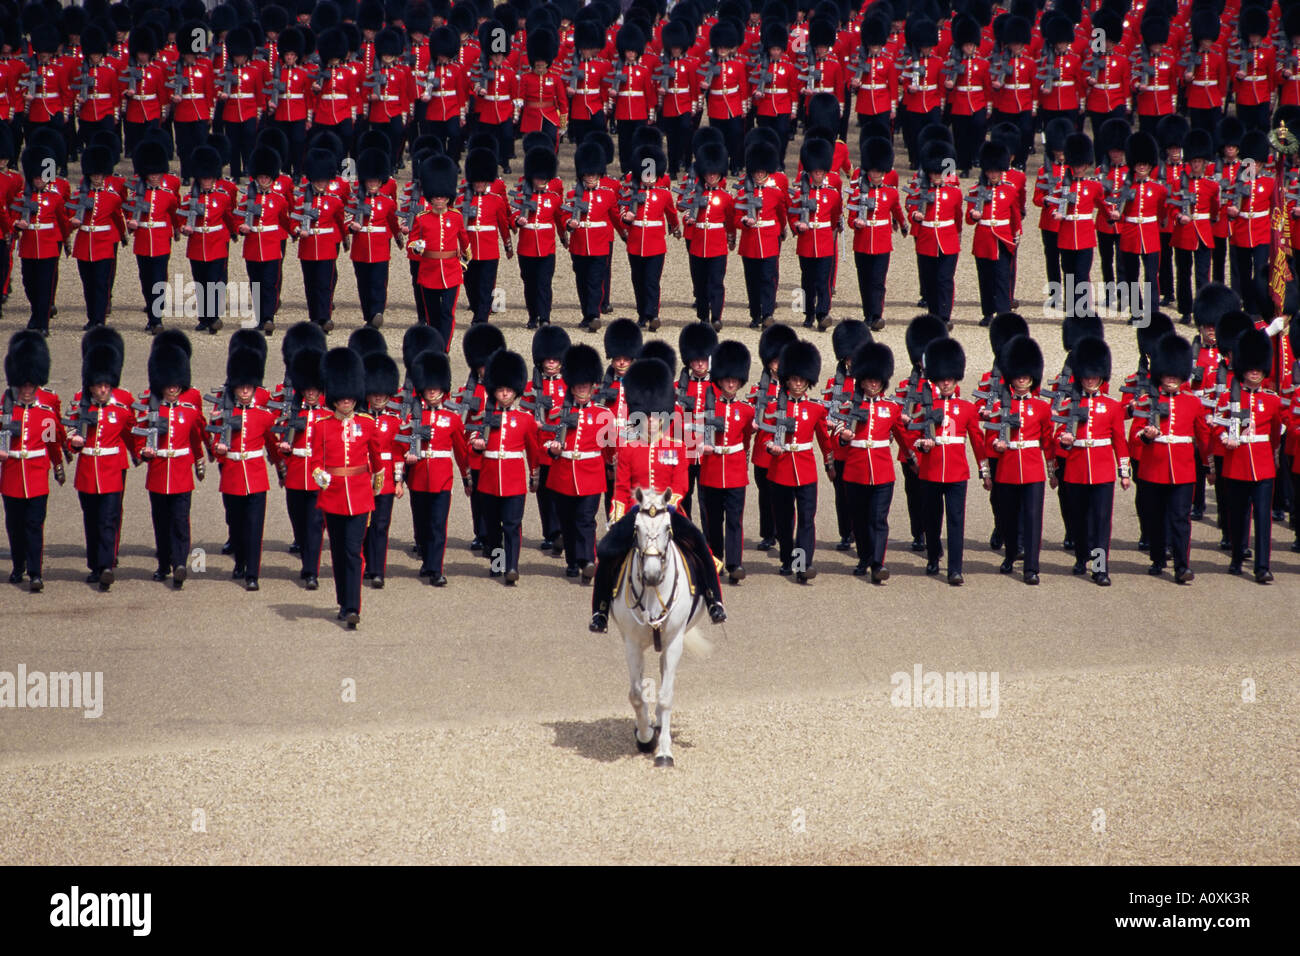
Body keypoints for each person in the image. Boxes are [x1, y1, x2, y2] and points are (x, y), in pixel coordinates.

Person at [589, 357, 726, 632]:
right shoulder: (628, 448)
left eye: (656, 417)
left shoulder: (676, 447)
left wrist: (668, 506)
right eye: (647, 417)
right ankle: (600, 611)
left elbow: (681, 486)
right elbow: (621, 488)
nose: (651, 422)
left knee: (700, 547)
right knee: (606, 552)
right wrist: (617, 515)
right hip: (635, 512)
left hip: (670, 512)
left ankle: (714, 601)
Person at [1130, 333, 1211, 584]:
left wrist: (1209, 465)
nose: (1171, 380)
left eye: (1175, 375)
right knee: (1154, 516)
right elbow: (1133, 436)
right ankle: (1157, 557)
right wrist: (1146, 435)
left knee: (1180, 519)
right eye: (1167, 375)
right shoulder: (1146, 401)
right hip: (1153, 467)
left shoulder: (1193, 403)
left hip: (1183, 468)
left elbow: (1203, 436)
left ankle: (1182, 565)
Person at [310, 348, 381, 628]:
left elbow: (377, 459)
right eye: (342, 398)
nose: (347, 401)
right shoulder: (322, 426)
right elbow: (315, 462)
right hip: (333, 496)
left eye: (350, 397)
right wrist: (322, 479)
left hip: (360, 496)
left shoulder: (367, 424)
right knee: (339, 553)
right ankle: (343, 601)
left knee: (353, 552)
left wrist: (376, 489)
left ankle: (353, 607)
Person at [1052, 337, 1131, 586]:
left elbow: (1119, 440)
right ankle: (1080, 557)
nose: (1090, 380)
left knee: (1100, 521)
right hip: (1075, 468)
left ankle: (1099, 568)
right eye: (1086, 376)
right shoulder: (1068, 405)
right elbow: (1056, 437)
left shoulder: (1112, 406)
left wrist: (1124, 471)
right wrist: (1064, 440)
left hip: (1102, 470)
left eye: (1094, 376)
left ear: (1101, 376)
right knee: (1078, 518)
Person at [907, 337, 986, 585]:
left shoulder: (967, 408)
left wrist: (985, 471)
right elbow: (913, 436)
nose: (946, 382)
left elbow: (977, 440)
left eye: (950, 378)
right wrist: (923, 445)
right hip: (930, 471)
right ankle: (933, 557)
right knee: (931, 519)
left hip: (957, 473)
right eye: (942, 379)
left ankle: (955, 569)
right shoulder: (924, 406)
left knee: (955, 521)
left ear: (956, 378)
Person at [830, 341, 904, 583]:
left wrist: (914, 457)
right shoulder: (848, 406)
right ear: (861, 380)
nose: (873, 384)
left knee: (878, 519)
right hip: (855, 471)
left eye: (877, 380)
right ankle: (864, 557)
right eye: (869, 379)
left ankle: (878, 564)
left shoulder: (891, 408)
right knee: (860, 520)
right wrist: (843, 437)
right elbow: (834, 431)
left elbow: (904, 435)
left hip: (883, 472)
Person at [980, 335, 1052, 585]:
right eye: (1018, 375)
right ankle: (1011, 554)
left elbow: (1047, 441)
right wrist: (994, 450)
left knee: (1033, 519)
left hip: (1032, 469)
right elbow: (988, 438)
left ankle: (1031, 567)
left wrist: (1052, 470)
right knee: (1007, 516)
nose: (1022, 379)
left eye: (1026, 376)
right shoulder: (1000, 405)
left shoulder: (1041, 407)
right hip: (1007, 467)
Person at [760, 340, 834, 581]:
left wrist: (829, 463)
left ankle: (803, 564)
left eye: (802, 379)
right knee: (783, 520)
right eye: (794, 379)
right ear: (787, 380)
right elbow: (764, 435)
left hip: (805, 471)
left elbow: (824, 439)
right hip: (780, 470)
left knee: (806, 519)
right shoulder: (774, 407)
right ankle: (786, 558)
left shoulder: (815, 409)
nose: (798, 383)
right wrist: (770, 446)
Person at [1214, 328, 1283, 582]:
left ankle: (1262, 566)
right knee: (1237, 513)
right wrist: (1226, 439)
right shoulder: (1229, 397)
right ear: (1243, 369)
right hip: (1237, 463)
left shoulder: (1272, 400)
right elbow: (1218, 428)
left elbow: (1276, 432)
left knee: (1263, 517)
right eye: (1250, 368)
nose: (1255, 372)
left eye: (1258, 368)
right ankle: (1236, 556)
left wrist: (1272, 453)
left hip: (1263, 465)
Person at [137, 342, 206, 590]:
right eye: (168, 384)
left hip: (180, 472)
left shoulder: (189, 410)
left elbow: (197, 437)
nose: (173, 388)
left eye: (176, 384)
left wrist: (199, 460)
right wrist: (142, 452)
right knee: (160, 520)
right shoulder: (150, 409)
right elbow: (138, 436)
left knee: (180, 520)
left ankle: (179, 564)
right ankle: (163, 563)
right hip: (158, 471)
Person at [211, 348, 281, 591]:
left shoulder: (264, 416)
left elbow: (273, 446)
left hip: (256, 476)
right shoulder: (222, 415)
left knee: (254, 526)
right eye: (240, 387)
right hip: (231, 474)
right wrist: (216, 449)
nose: (243, 391)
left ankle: (253, 573)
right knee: (236, 523)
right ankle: (240, 563)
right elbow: (212, 444)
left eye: (248, 388)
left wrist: (282, 464)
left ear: (253, 389)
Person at [469, 349, 540, 584]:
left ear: (516, 390)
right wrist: (477, 446)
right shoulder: (484, 417)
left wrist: (534, 475)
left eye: (508, 389)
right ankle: (497, 564)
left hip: (514, 480)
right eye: (500, 389)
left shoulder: (525, 419)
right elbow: (472, 447)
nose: (505, 393)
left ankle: (511, 566)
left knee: (512, 525)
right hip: (489, 480)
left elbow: (532, 450)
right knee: (493, 527)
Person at [543, 343, 614, 579]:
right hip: (563, 473)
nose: (582, 389)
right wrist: (553, 450)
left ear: (592, 386)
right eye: (578, 385)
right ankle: (573, 561)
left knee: (585, 519)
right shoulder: (558, 412)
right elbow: (545, 440)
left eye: (586, 385)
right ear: (572, 387)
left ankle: (587, 560)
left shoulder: (603, 414)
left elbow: (611, 445)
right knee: (567, 521)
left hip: (591, 474)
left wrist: (612, 465)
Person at [66, 345, 133, 592]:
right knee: (91, 519)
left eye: (107, 385)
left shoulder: (123, 402)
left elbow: (132, 430)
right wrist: (72, 443)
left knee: (108, 519)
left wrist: (141, 454)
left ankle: (106, 567)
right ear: (90, 386)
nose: (103, 390)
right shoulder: (80, 403)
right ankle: (95, 565)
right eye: (98, 386)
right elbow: (67, 431)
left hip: (113, 469)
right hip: (87, 470)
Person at [1, 332, 63, 593]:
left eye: (31, 386)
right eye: (23, 387)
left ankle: (36, 573)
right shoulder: (4, 412)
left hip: (37, 476)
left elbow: (52, 443)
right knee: (14, 526)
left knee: (34, 525)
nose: (27, 391)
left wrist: (58, 465)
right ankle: (18, 566)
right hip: (12, 476)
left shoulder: (46, 414)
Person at [403, 348, 470, 586]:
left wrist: (466, 477)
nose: (432, 391)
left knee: (438, 525)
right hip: (418, 476)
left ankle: (436, 569)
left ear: (443, 389)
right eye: (429, 388)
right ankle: (426, 560)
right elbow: (399, 445)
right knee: (422, 524)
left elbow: (461, 451)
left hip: (442, 478)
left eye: (436, 388)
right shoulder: (412, 416)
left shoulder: (452, 418)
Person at [410, 155, 471, 345]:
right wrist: (417, 247)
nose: (439, 200)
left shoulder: (456, 217)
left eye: (442, 197)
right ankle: (435, 344)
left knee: (447, 313)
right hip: (429, 271)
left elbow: (464, 240)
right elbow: (411, 243)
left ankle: (444, 348)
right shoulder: (422, 218)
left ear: (448, 198)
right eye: (436, 197)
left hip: (451, 271)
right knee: (433, 315)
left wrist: (466, 257)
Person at [847, 138, 907, 333]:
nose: (876, 175)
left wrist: (904, 224)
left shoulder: (890, 193)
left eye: (879, 172)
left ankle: (877, 315)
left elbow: (896, 210)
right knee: (864, 280)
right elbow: (850, 218)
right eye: (873, 171)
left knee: (878, 281)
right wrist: (856, 223)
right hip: (862, 241)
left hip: (882, 242)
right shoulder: (857, 192)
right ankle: (868, 315)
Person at [523, 325, 571, 555]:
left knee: (563, 492)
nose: (551, 363)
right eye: (547, 359)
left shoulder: (570, 385)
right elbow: (523, 415)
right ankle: (551, 534)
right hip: (541, 449)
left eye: (555, 359)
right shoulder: (531, 388)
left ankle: (563, 530)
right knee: (545, 494)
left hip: (564, 447)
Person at [735, 139, 790, 331]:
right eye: (756, 171)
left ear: (767, 171)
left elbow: (782, 215)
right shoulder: (742, 192)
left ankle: (767, 314)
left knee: (768, 278)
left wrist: (782, 230)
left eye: (762, 171)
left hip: (769, 240)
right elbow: (735, 217)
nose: (759, 175)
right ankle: (755, 314)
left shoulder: (775, 193)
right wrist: (743, 222)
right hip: (750, 241)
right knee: (752, 279)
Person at [682, 141, 735, 330]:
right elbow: (685, 213)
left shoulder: (726, 197)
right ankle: (703, 316)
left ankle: (716, 317)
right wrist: (687, 219)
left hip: (717, 244)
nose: (712, 176)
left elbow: (730, 221)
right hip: (698, 243)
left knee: (716, 283)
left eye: (715, 173)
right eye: (709, 173)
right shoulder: (694, 195)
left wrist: (731, 238)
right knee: (701, 283)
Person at [361, 353, 404, 589]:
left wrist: (399, 481)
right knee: (364, 526)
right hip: (362, 478)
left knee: (380, 525)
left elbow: (397, 454)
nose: (379, 398)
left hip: (385, 480)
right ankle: (367, 564)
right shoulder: (360, 419)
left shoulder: (395, 421)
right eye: (375, 394)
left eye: (382, 394)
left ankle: (378, 570)